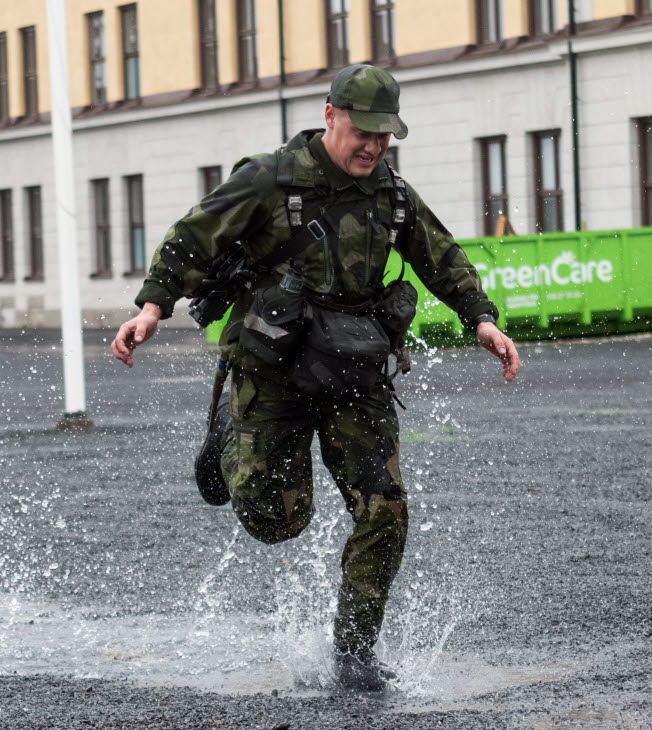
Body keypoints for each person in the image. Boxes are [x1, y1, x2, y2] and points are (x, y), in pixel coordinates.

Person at [112, 64, 519, 691]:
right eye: (364, 132)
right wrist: (151, 309)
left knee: (385, 511)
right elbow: (192, 238)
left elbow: (440, 255)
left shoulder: (391, 191)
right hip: (273, 371)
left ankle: (354, 654)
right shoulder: (270, 179)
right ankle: (228, 439)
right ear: (331, 115)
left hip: (356, 370)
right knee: (278, 520)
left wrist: (481, 321)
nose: (374, 147)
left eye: (385, 137)